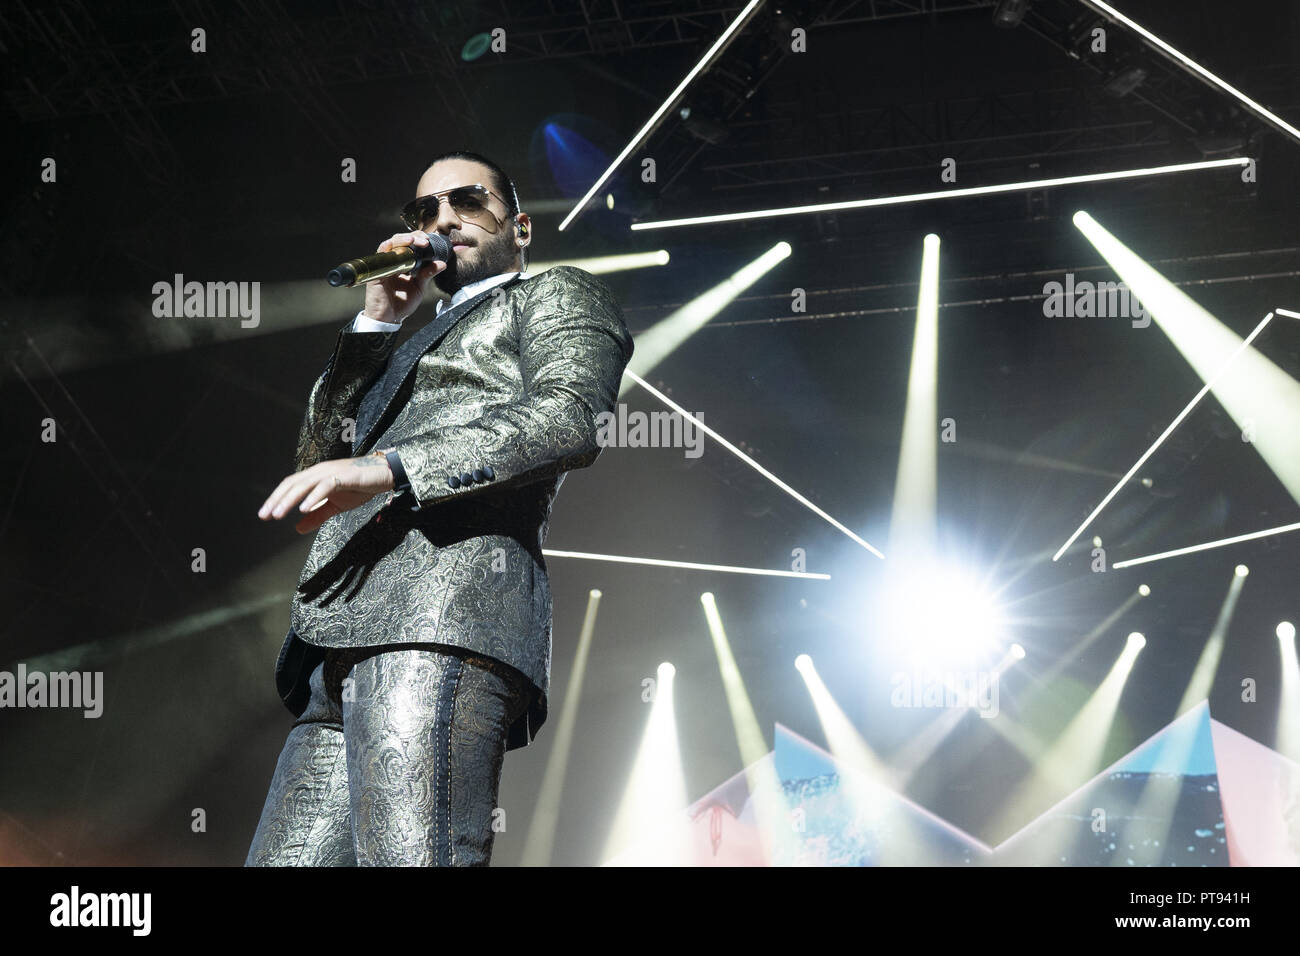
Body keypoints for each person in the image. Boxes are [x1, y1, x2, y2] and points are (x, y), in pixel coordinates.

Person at [245, 150, 633, 866]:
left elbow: (570, 419)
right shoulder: (398, 346)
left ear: (519, 227)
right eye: (424, 211)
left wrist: (390, 466)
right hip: (337, 642)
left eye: (467, 201)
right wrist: (375, 322)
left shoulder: (554, 295)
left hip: (443, 617)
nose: (443, 220)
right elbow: (313, 463)